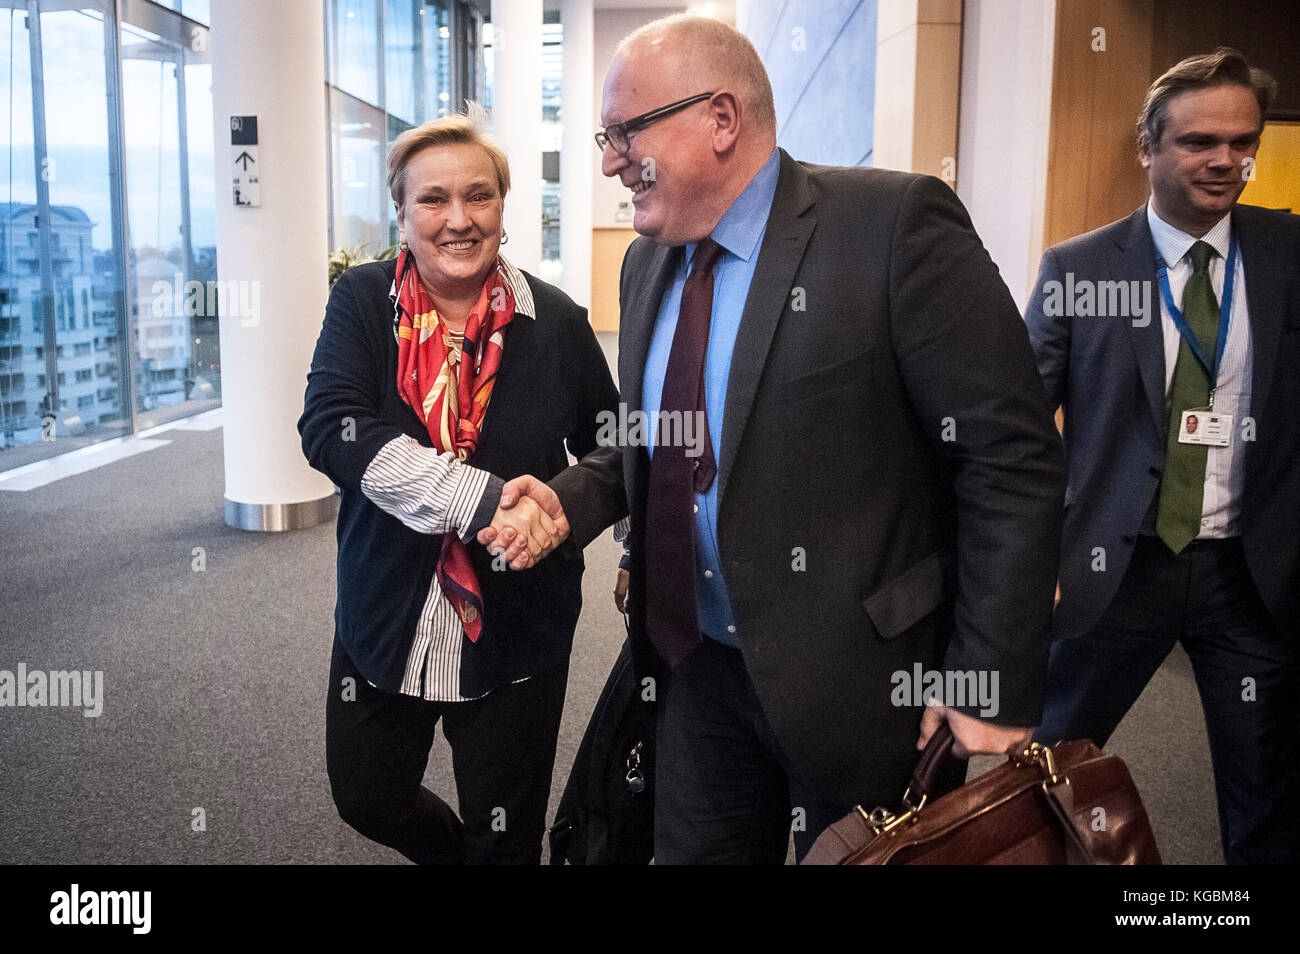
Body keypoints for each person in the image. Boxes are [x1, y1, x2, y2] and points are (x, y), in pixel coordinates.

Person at [481, 15, 1065, 863]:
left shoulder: (892, 226)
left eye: (625, 133)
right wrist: (568, 500)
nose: (608, 160)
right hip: (695, 668)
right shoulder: (646, 264)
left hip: (864, 684)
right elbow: (656, 438)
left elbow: (1009, 458)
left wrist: (994, 676)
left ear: (722, 119)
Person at [298, 112, 617, 864]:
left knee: (503, 835)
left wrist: (566, 511)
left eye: (479, 197)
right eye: (434, 200)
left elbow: (620, 441)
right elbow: (331, 424)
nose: (459, 220)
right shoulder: (362, 304)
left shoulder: (558, 320)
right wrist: (484, 501)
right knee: (368, 797)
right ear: (402, 214)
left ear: (504, 210)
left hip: (519, 617)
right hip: (387, 611)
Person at [1026, 48, 1300, 864]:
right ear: (1147, 147)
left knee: (1268, 793)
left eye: (1243, 142)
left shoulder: (1289, 255)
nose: (1226, 160)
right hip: (1117, 567)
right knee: (1043, 770)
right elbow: (1021, 430)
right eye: (1199, 142)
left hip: (1249, 576)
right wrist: (1027, 556)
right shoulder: (1078, 269)